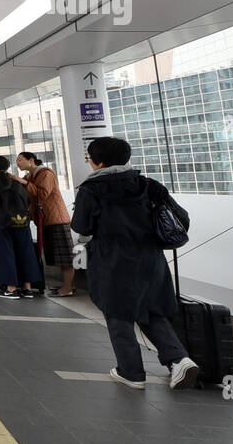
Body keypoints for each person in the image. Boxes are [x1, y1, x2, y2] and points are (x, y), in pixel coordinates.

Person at [71, 137, 199, 391]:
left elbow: (81, 226)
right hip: (150, 258)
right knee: (151, 309)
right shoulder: (148, 185)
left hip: (112, 260)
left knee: (118, 312)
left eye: (89, 157)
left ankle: (131, 372)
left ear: (99, 162)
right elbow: (180, 218)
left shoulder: (92, 190)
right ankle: (178, 359)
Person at [0, 155, 42, 299]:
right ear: (7, 167)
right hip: (22, 222)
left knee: (5, 253)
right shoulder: (17, 182)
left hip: (2, 223)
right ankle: (27, 288)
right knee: (26, 252)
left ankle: (11, 288)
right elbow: (27, 200)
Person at [16, 152, 77, 297]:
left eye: (20, 160)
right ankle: (66, 285)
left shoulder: (46, 173)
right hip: (46, 220)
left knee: (65, 256)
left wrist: (25, 183)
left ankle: (68, 287)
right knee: (57, 255)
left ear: (31, 160)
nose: (17, 163)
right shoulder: (31, 176)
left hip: (57, 219)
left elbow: (43, 193)